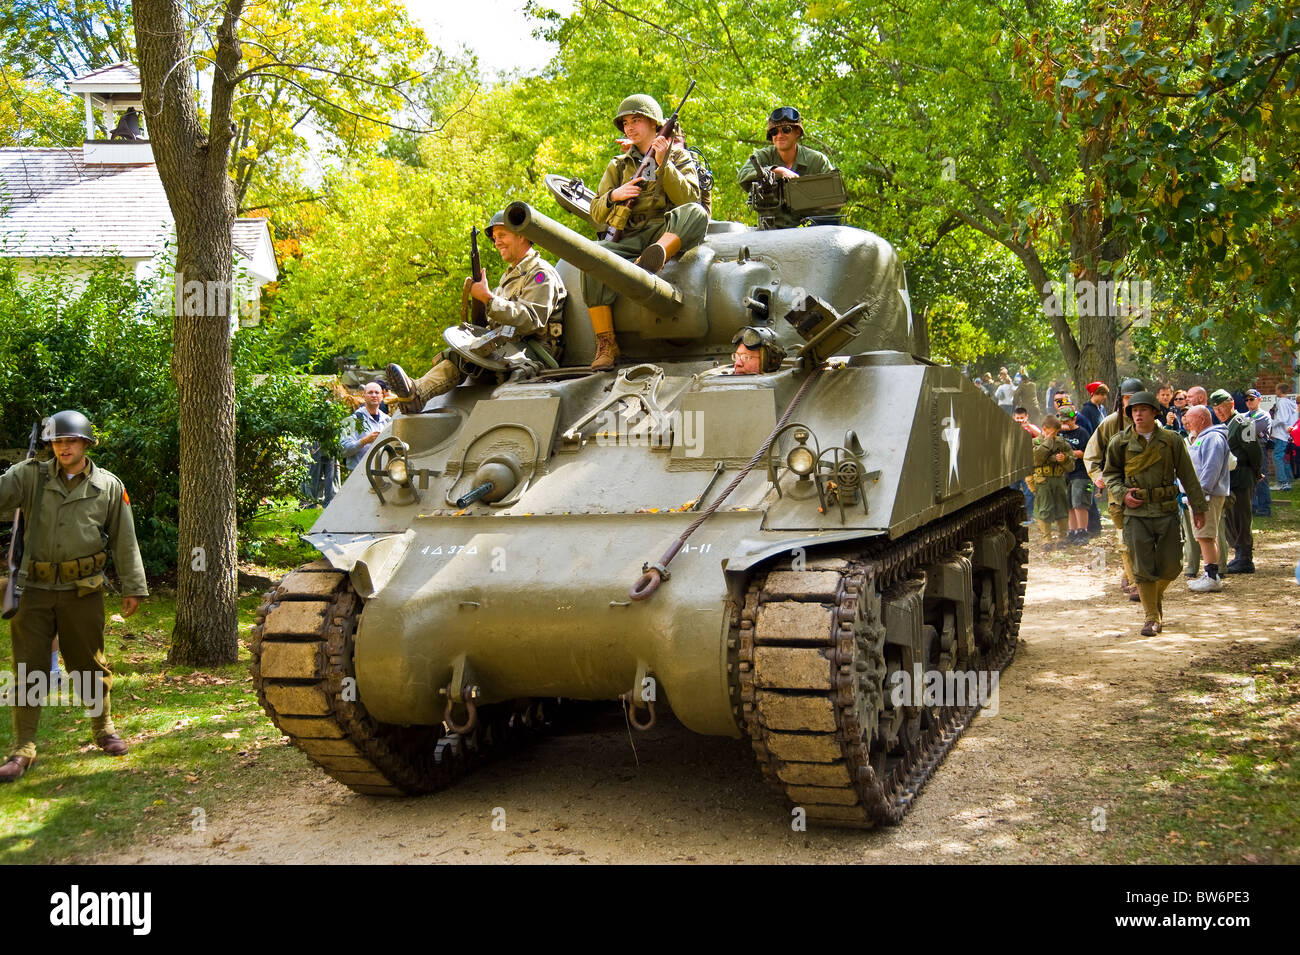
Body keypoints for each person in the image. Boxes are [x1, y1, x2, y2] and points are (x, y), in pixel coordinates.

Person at [0, 411, 148, 781]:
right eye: (57, 441)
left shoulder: (108, 485)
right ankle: (23, 748)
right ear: (50, 444)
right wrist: (13, 475)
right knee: (28, 668)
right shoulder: (29, 476)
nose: (63, 447)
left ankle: (104, 729)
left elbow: (123, 538)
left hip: (82, 591)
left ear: (85, 444)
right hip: (32, 590)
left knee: (87, 666)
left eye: (70, 441)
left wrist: (134, 586)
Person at [388, 211, 568, 408]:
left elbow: (532, 319)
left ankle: (418, 392)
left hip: (534, 353)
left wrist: (489, 299)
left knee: (469, 352)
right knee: (463, 351)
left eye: (502, 236)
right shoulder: (510, 277)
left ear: (521, 235)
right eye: (494, 238)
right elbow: (495, 323)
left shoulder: (541, 274)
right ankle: (417, 393)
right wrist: (480, 303)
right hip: (509, 346)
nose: (497, 242)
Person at [586, 93, 708, 371]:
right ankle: (606, 342)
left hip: (664, 230)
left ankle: (655, 258)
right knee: (592, 257)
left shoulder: (679, 155)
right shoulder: (618, 165)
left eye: (636, 120)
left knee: (697, 214)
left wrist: (664, 163)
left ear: (654, 124)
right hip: (629, 236)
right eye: (625, 122)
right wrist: (614, 196)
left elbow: (690, 200)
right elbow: (595, 213)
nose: (629, 127)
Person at [1103, 392, 1208, 635]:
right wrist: (1122, 494)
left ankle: (1150, 594)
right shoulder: (1119, 442)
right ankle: (1152, 617)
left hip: (1166, 510)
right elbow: (1110, 475)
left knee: (1173, 565)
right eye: (1134, 410)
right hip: (1136, 513)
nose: (1138, 414)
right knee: (1142, 566)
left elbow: (1188, 476)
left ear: (1154, 413)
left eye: (1143, 409)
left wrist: (1199, 507)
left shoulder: (1171, 440)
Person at [1084, 377, 1145, 598]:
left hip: (1146, 492)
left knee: (1146, 539)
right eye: (1128, 399)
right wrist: (1097, 475)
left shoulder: (1153, 424)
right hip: (1118, 491)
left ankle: (1130, 574)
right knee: (1126, 538)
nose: (1133, 405)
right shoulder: (1111, 423)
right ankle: (1137, 581)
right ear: (1122, 400)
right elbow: (1092, 453)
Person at [736, 106, 835, 230]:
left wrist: (802, 198)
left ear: (797, 132)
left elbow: (834, 202)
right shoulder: (763, 156)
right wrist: (776, 171)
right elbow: (743, 175)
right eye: (774, 132)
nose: (779, 135)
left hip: (811, 231)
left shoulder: (817, 161)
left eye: (786, 130)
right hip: (770, 230)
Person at [1182, 405, 1231, 593]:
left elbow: (1211, 468)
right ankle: (1212, 573)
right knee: (1207, 535)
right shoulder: (1202, 438)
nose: (1187, 422)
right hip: (1202, 494)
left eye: (1190, 418)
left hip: (1206, 495)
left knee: (1205, 535)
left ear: (1202, 419)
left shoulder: (1213, 438)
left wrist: (1200, 493)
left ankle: (1211, 576)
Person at [1213, 388, 1262, 573]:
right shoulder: (1225, 425)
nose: (1219, 412)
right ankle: (1239, 553)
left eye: (1222, 408)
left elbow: (1254, 451)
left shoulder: (1244, 422)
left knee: (1242, 516)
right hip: (1229, 479)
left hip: (1242, 477)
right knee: (1231, 518)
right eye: (1216, 409)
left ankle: (1245, 558)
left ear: (1232, 404)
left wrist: (1256, 472)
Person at [1031, 415, 1072, 547]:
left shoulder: (1062, 443)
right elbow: (1036, 459)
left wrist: (1064, 458)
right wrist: (1048, 441)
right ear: (1045, 429)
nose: (1056, 435)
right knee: (1044, 509)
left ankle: (1062, 538)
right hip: (1043, 481)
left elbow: (1072, 464)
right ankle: (1046, 539)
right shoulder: (1036, 442)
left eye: (1057, 432)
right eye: (1054, 432)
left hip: (1059, 480)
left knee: (1062, 509)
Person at [1057, 404, 1093, 544]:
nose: (1065, 424)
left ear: (1074, 419)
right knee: (1069, 504)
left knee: (1079, 503)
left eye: (1068, 421)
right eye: (1062, 421)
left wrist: (1068, 454)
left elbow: (1085, 452)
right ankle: (1072, 531)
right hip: (1065, 474)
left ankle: (1082, 531)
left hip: (1081, 473)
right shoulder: (1059, 433)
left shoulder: (1082, 433)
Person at [340, 382, 392, 473]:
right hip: (358, 475)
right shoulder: (352, 420)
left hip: (382, 474)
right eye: (370, 392)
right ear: (363, 396)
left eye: (377, 392)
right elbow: (343, 450)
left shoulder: (388, 421)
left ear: (382, 396)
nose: (374, 395)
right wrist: (364, 441)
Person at [1244, 389, 1272, 516]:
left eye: (1252, 399)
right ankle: (1253, 506)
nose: (1249, 402)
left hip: (1259, 449)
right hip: (1246, 450)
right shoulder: (1244, 416)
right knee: (1250, 478)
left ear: (1259, 400)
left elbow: (1250, 431)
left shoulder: (1263, 415)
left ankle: (1264, 507)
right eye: (1247, 400)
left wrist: (1243, 427)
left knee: (1261, 477)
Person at [1270, 383, 1297, 490]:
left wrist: (1270, 422)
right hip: (1286, 434)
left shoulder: (1281, 402)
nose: (1275, 391)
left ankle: (1282, 483)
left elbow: (1282, 419)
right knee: (1283, 458)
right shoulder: (1290, 402)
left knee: (1277, 457)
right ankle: (1288, 480)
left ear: (1280, 391)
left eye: (1276, 389)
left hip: (1281, 434)